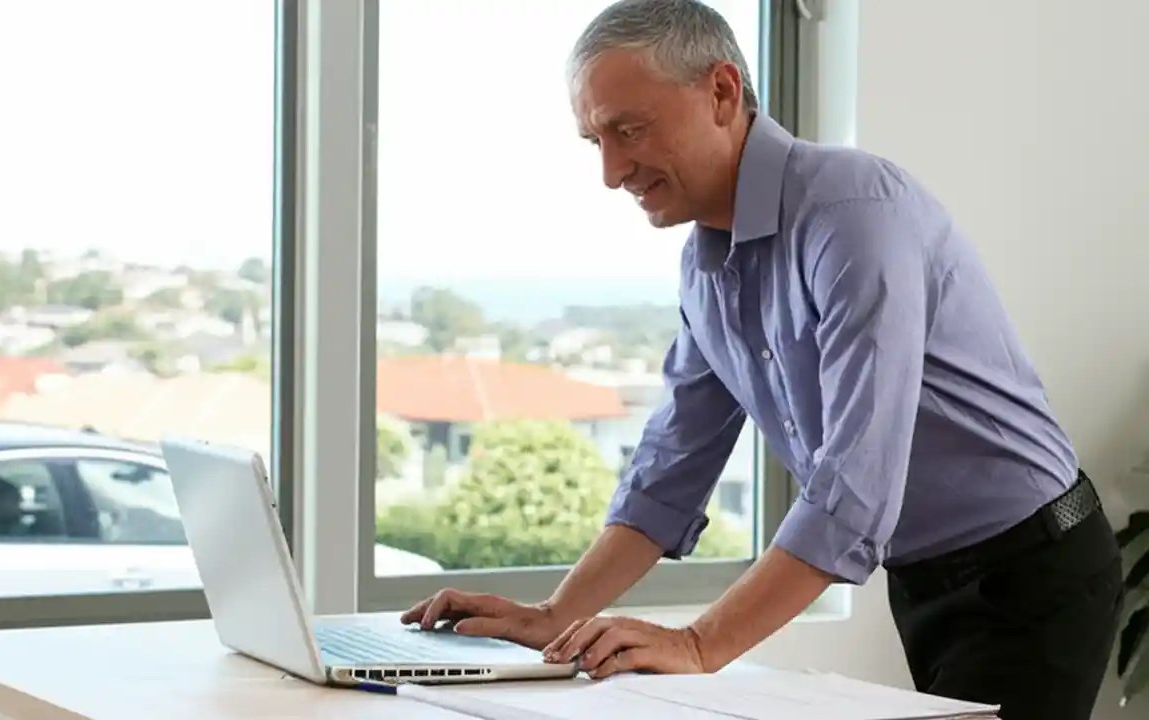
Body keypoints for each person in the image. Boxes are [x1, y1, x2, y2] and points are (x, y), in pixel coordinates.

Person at [400, 1, 1123, 718]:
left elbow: (856, 484)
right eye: (595, 140)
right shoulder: (704, 269)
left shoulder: (854, 215)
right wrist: (554, 614)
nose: (612, 172)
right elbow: (671, 469)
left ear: (721, 92)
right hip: (925, 579)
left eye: (630, 130)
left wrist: (701, 643)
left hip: (1035, 568)